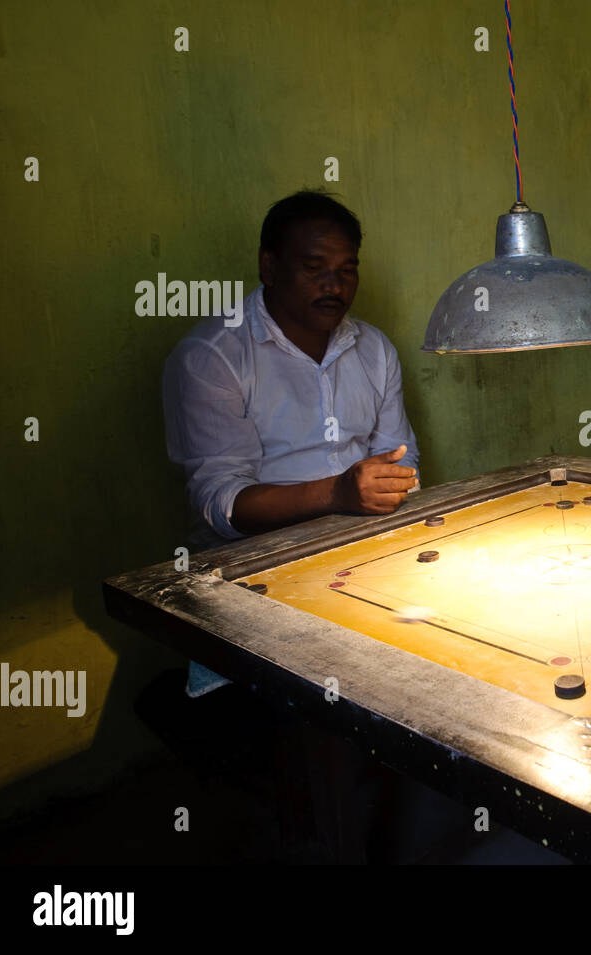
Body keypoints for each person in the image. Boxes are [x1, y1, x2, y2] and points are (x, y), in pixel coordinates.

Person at [163, 190, 420, 697]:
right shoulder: (213, 356)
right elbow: (222, 503)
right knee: (331, 697)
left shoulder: (373, 348)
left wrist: (387, 489)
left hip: (362, 552)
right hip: (251, 571)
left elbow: (401, 456)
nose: (335, 286)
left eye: (348, 269)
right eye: (314, 267)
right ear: (270, 266)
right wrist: (337, 495)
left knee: (432, 660)